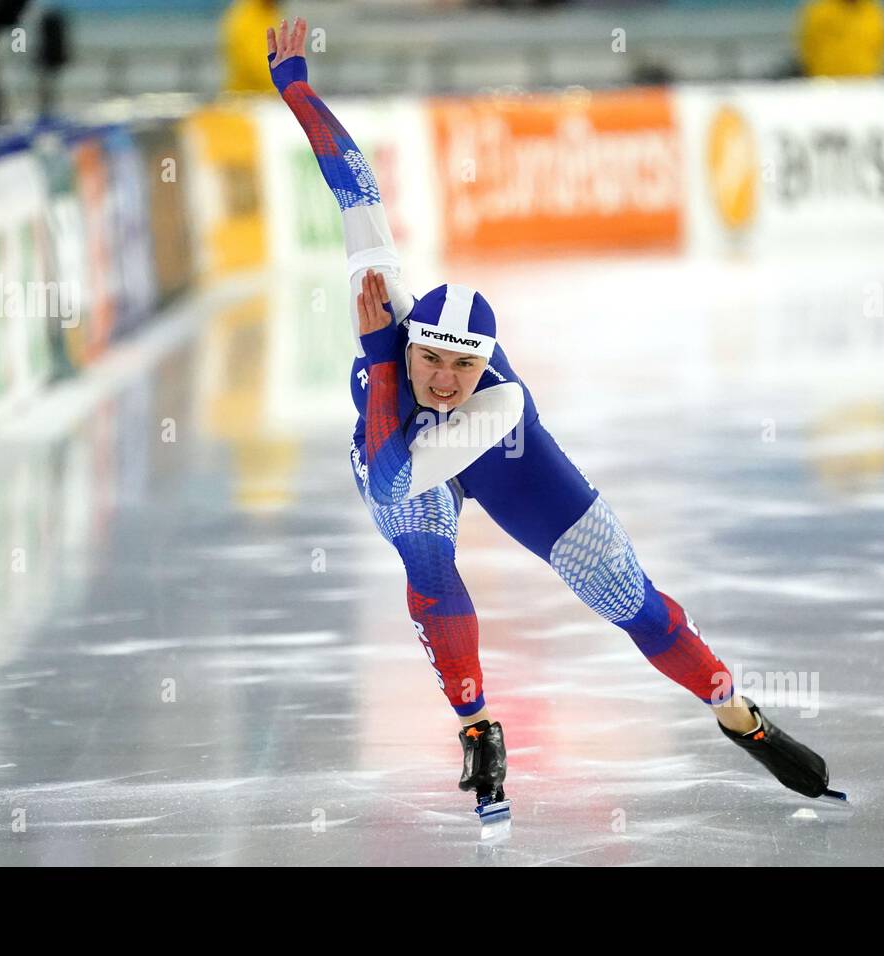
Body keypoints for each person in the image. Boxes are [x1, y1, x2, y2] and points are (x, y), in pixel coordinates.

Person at [266, 17, 844, 813]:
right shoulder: (389, 300)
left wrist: (376, 354)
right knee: (428, 562)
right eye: (428, 358)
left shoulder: (494, 408)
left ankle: (738, 714)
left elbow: (410, 458)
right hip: (391, 456)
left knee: (629, 596)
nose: (442, 379)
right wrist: (298, 89)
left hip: (489, 460)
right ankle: (478, 728)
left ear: (486, 364)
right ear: (414, 336)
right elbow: (354, 184)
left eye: (461, 366)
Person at [796, 0, 884, 78]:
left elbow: (882, 47)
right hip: (827, 83)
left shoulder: (875, 13)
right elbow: (807, 47)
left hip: (865, 83)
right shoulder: (820, 11)